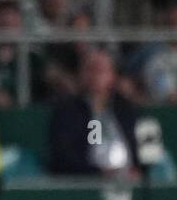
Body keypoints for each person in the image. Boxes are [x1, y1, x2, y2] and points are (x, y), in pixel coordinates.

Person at [48, 49, 139, 177]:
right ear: (81, 74)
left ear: (112, 75)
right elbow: (63, 156)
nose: (96, 75)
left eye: (101, 70)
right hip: (88, 182)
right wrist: (99, 173)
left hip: (128, 177)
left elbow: (141, 146)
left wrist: (138, 169)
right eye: (91, 69)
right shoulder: (68, 112)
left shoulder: (125, 108)